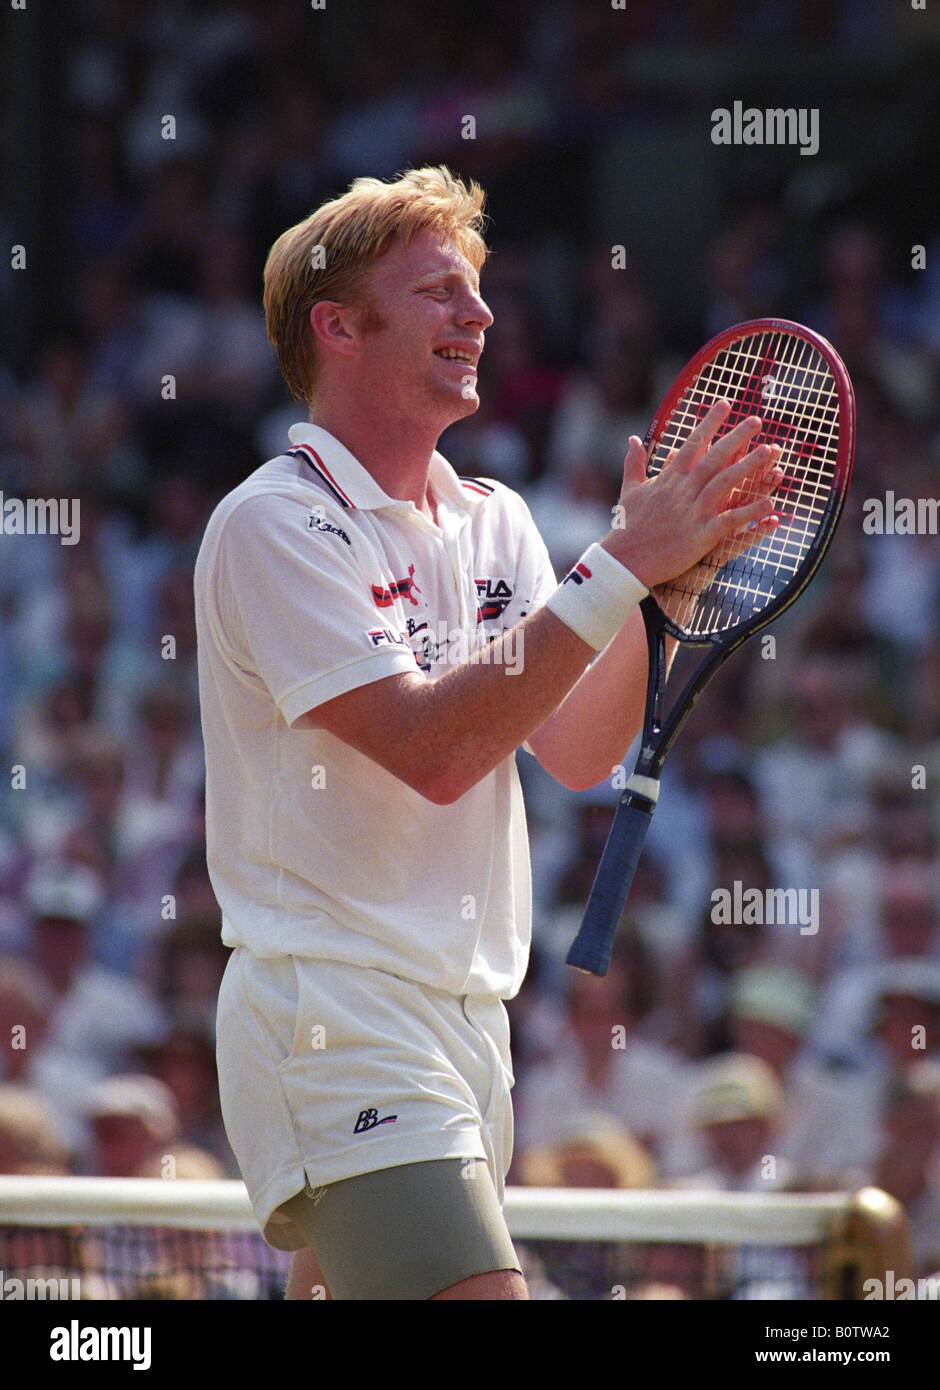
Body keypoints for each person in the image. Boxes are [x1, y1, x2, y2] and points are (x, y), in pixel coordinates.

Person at [194, 165, 782, 1301]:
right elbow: (437, 751)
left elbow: (569, 751)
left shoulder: (493, 515)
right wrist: (617, 566)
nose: (480, 316)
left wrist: (651, 598)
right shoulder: (273, 521)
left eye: (476, 292)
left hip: (468, 1025)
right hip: (340, 1013)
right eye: (437, 293)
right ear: (339, 326)